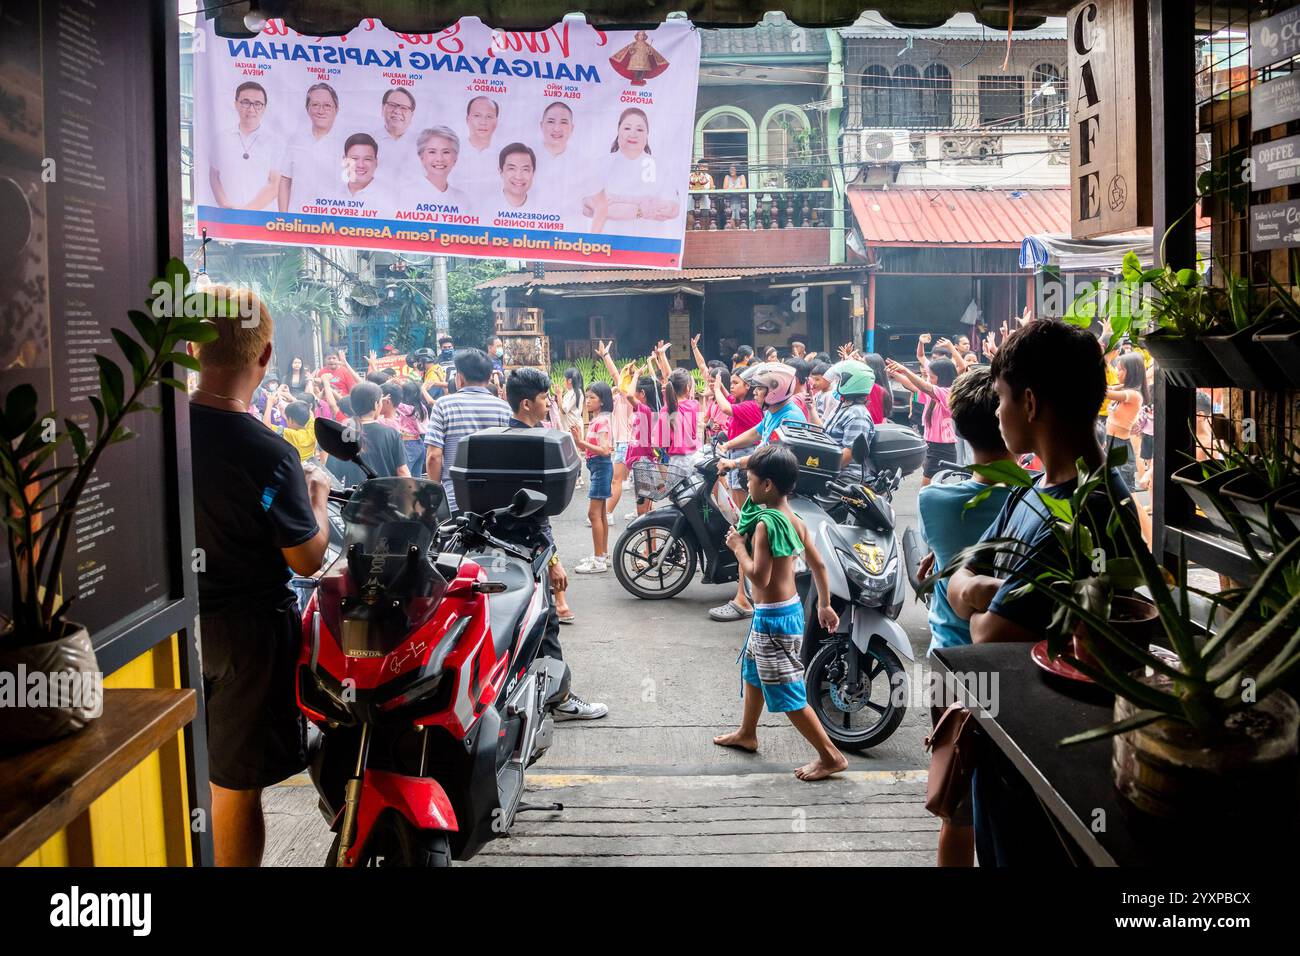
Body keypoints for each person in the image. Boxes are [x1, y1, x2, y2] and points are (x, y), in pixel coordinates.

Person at [944, 321, 1139, 867]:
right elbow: (958, 579)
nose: (997, 413)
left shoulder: (1088, 509)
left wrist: (980, 592)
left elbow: (987, 630)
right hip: (1008, 744)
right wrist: (988, 587)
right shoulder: (1032, 493)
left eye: (1002, 399)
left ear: (1029, 403)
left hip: (1048, 760)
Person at [188, 285, 330, 866]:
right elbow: (306, 559)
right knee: (234, 788)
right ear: (266, 355)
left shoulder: (156, 438)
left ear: (190, 349)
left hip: (169, 630)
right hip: (247, 637)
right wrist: (317, 499)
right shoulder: (269, 453)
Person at [914, 367, 1013, 867]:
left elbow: (938, 557)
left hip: (951, 664)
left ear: (957, 430)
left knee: (956, 807)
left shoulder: (933, 499)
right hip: (1015, 666)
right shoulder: (1037, 498)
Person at [712, 444, 847, 781]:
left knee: (788, 692)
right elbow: (818, 565)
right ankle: (747, 733)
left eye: (750, 480)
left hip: (773, 619)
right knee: (753, 670)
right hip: (783, 614)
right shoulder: (794, 519)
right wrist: (824, 604)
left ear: (767, 485)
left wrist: (737, 548)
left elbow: (759, 576)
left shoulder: (764, 526)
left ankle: (830, 756)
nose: (747, 485)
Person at [502, 369, 607, 719]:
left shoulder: (495, 438)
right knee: (545, 624)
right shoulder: (537, 444)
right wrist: (553, 561)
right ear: (526, 403)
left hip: (496, 549)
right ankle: (559, 699)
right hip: (529, 553)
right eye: (545, 399)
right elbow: (538, 517)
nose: (549, 405)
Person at [713, 363, 805, 623]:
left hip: (771, 491)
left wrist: (734, 462)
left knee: (748, 538)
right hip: (764, 489)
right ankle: (745, 596)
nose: (755, 393)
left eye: (760, 388)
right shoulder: (775, 411)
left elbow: (766, 454)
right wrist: (728, 444)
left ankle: (746, 599)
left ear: (775, 390)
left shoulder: (790, 416)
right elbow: (756, 432)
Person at [422, 347, 511, 513]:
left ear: (459, 378)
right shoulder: (504, 408)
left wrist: (434, 494)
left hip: (455, 499)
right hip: (496, 501)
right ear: (489, 377)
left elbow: (434, 456)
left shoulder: (443, 405)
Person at [583, 108, 682, 237]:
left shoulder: (659, 167)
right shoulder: (600, 165)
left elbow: (672, 209)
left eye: (640, 129)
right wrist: (643, 206)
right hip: (607, 243)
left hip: (650, 243)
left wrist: (619, 202)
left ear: (647, 134)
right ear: (618, 130)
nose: (633, 134)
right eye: (627, 128)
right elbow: (592, 206)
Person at [210, 81, 282, 211]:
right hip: (227, 215)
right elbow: (214, 174)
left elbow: (275, 184)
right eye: (245, 102)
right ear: (236, 104)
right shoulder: (221, 138)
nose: (251, 109)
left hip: (261, 218)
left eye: (257, 104)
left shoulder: (275, 142)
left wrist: (246, 212)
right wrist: (224, 205)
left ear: (264, 107)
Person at [887, 356, 958, 486]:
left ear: (943, 377)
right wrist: (894, 372)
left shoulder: (948, 393)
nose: (929, 380)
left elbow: (925, 387)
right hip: (932, 446)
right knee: (934, 489)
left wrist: (905, 370)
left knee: (926, 489)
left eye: (932, 377)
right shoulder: (933, 395)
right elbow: (912, 386)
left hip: (942, 448)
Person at [327, 381, 410, 486]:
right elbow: (402, 471)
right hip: (387, 497)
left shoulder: (344, 434)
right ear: (376, 404)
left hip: (356, 497)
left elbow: (332, 475)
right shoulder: (391, 434)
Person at [279, 82, 344, 213]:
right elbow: (285, 181)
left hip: (333, 223)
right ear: (307, 109)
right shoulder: (295, 140)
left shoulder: (346, 143)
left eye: (327, 105)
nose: (321, 111)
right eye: (315, 105)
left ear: (336, 109)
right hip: (297, 221)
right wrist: (283, 218)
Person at [572, 381, 614, 574]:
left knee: (594, 514)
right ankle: (601, 554)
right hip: (599, 467)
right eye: (587, 397)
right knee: (601, 514)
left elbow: (605, 450)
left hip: (600, 466)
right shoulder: (600, 418)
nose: (587, 401)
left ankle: (598, 560)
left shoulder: (601, 421)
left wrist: (580, 442)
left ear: (602, 401)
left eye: (592, 398)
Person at [595, 340, 636, 526]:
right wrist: (605, 355)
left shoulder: (629, 397)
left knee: (616, 480)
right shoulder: (621, 395)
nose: (620, 377)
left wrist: (606, 356)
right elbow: (614, 375)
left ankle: (608, 513)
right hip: (625, 443)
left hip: (625, 443)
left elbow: (614, 374)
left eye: (625, 374)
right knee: (634, 481)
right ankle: (641, 510)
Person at [405, 126, 473, 218]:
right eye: (432, 152)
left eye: (446, 152)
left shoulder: (462, 200)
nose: (439, 159)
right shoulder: (406, 194)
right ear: (421, 156)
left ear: (455, 158)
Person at [821, 361, 876, 473]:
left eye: (839, 381)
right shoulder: (844, 407)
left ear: (851, 383)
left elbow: (849, 453)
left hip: (845, 476)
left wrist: (823, 468)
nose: (836, 384)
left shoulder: (857, 415)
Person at [327, 132, 391, 215]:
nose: (361, 165)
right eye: (354, 158)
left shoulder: (387, 198)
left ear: (376, 162)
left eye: (367, 159)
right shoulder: (332, 194)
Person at [371, 87, 422, 186]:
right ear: (382, 109)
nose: (397, 111)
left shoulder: (423, 144)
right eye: (392, 105)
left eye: (404, 108)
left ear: (412, 115)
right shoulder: (368, 141)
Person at [452, 96, 502, 196]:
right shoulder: (451, 151)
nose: (483, 122)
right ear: (467, 119)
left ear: (496, 122)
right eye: (477, 116)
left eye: (489, 117)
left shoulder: (505, 155)